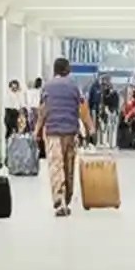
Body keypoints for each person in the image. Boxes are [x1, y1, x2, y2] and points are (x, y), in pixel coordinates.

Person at [35, 58, 97, 217]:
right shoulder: (75, 87)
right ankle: (67, 199)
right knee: (69, 166)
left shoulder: (47, 87)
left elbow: (43, 111)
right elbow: (83, 109)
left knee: (56, 166)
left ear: (55, 70)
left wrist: (37, 131)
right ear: (68, 70)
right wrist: (91, 129)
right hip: (71, 131)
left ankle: (59, 199)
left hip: (53, 132)